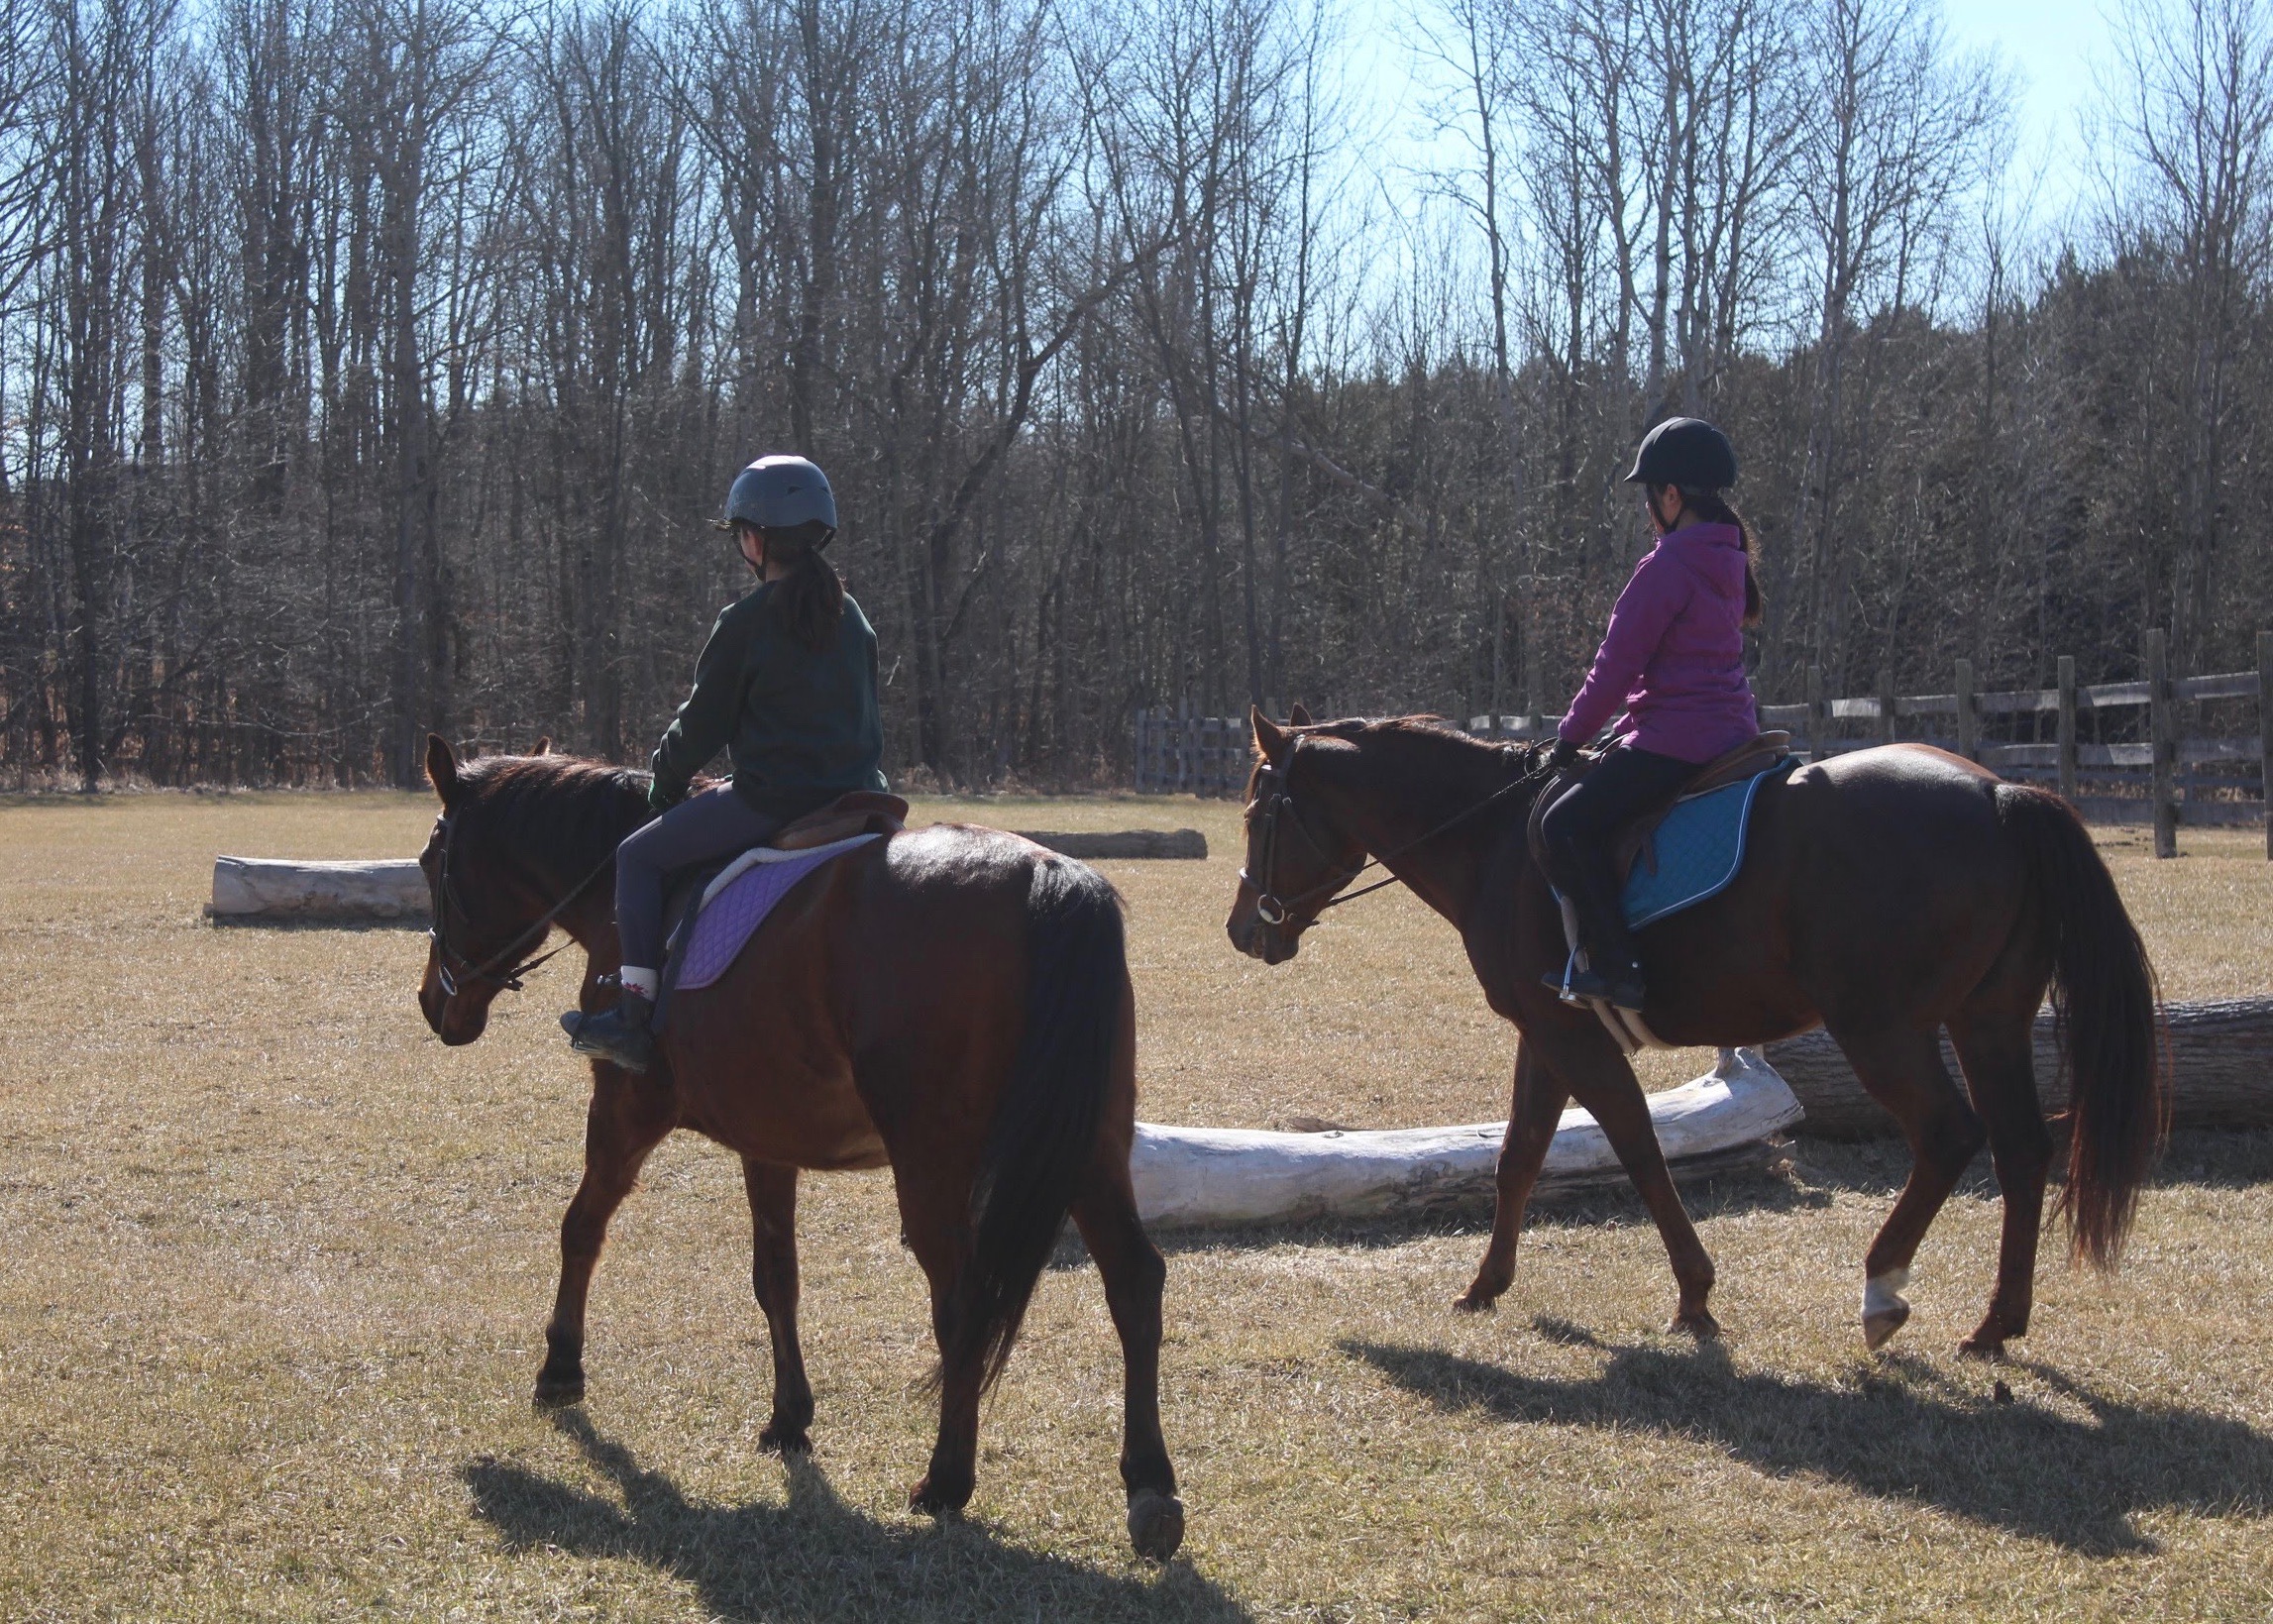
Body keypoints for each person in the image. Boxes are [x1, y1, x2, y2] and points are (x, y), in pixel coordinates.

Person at [562, 455, 888, 1071]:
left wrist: (665, 780)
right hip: (861, 801)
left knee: (638, 856)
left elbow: (700, 724)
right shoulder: (855, 619)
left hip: (774, 800)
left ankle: (633, 1015)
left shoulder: (745, 622)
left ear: (755, 539)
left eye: (741, 533)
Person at [1537, 417, 1763, 1013]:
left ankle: (1617, 967)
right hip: (1733, 731)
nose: (1647, 510)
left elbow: (1614, 668)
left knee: (1562, 825)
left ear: (1671, 496)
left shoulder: (1666, 567)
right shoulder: (1729, 559)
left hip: (1676, 739)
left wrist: (1569, 739)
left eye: (1649, 495)